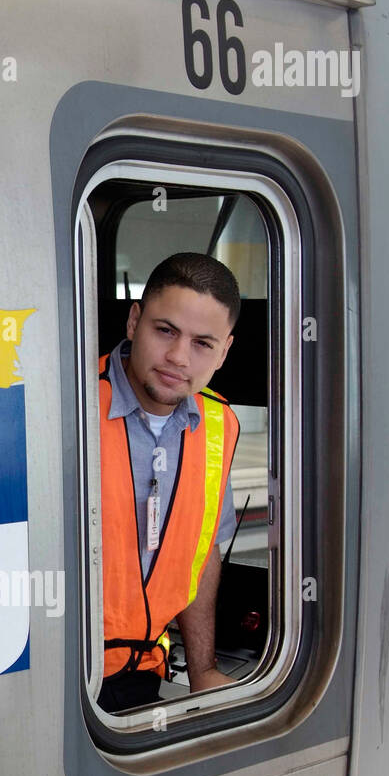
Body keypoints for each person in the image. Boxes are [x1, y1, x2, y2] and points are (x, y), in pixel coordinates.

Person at [97, 252, 240, 713]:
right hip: (62, 674)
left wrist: (202, 669)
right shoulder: (69, 403)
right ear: (134, 320)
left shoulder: (217, 425)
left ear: (224, 351)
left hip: (142, 675)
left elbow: (200, 551)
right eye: (166, 331)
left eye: (203, 343)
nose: (179, 357)